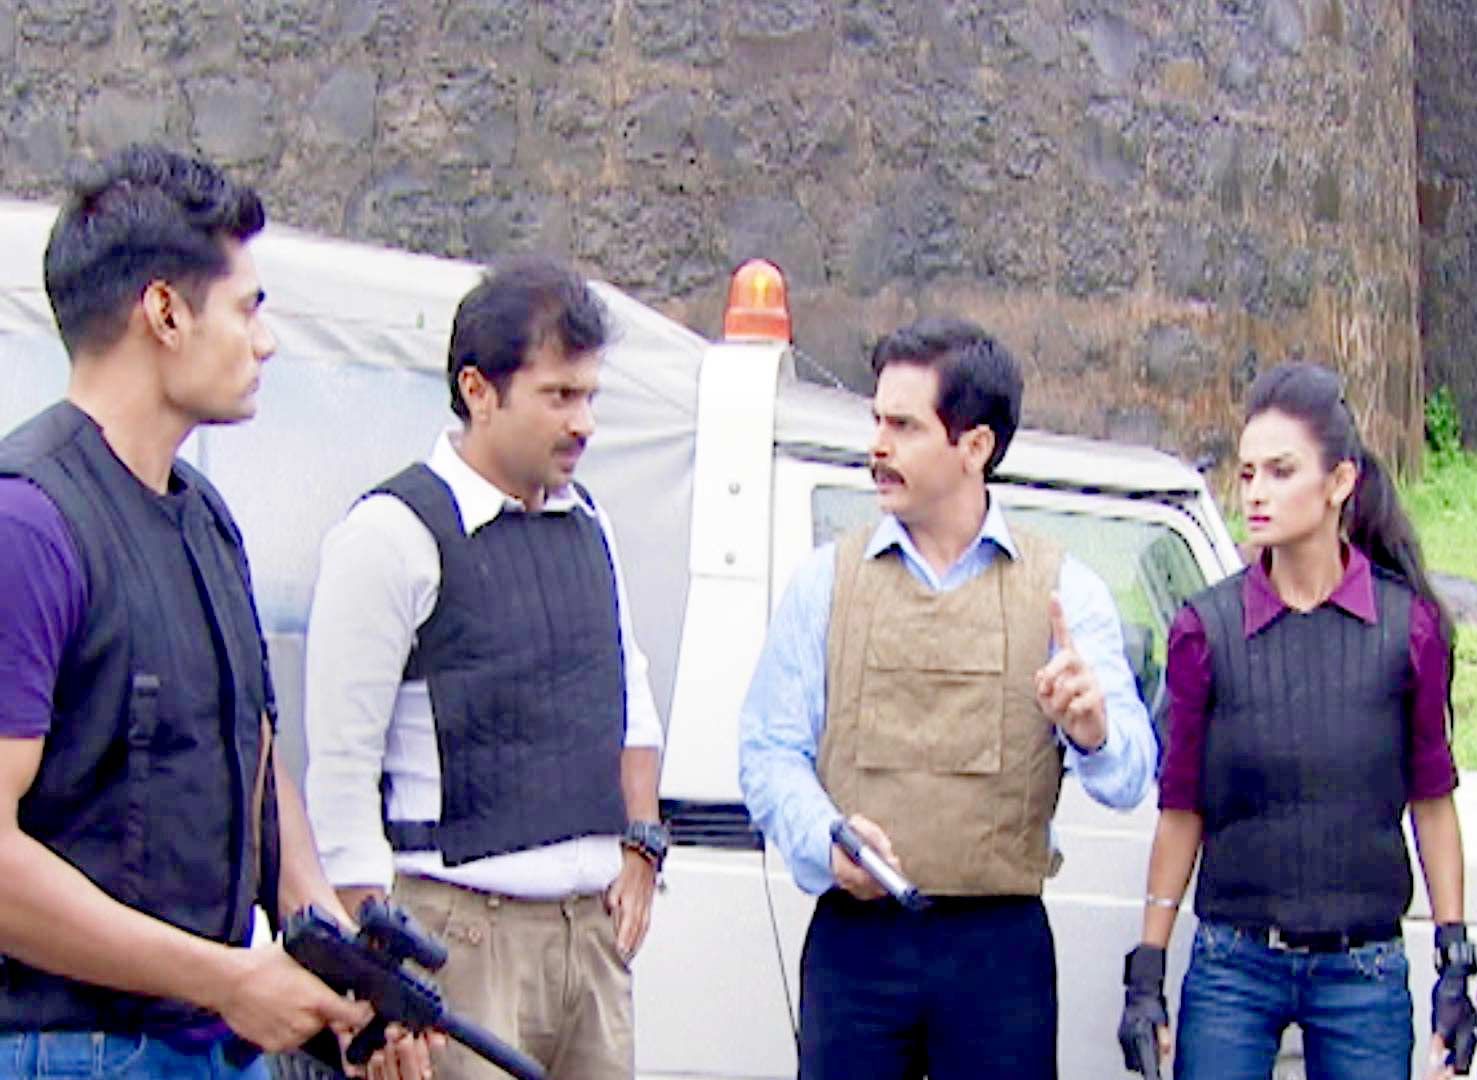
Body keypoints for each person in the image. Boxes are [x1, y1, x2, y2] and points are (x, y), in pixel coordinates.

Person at [0, 145, 427, 1079]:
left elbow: (256, 758)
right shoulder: (27, 524)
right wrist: (230, 979)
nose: (264, 342)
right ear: (164, 311)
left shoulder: (205, 519)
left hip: (212, 1048)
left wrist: (340, 965)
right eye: (247, 308)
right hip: (68, 1050)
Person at [738, 316, 1157, 1079]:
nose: (877, 446)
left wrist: (1093, 729)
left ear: (975, 446)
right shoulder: (827, 583)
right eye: (876, 421)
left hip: (998, 953)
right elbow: (768, 752)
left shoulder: (1062, 590)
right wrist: (825, 840)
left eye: (903, 426)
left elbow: (1130, 778)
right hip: (856, 947)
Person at [301, 257, 666, 1079]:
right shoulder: (392, 534)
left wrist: (643, 846)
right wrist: (377, 977)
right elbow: (342, 770)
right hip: (460, 940)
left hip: (590, 941)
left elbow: (628, 695)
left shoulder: (589, 523)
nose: (583, 423)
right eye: (558, 396)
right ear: (478, 389)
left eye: (590, 396)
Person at [1115, 362, 1476, 1080]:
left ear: (1339, 481)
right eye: (1248, 473)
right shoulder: (1206, 630)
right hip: (1235, 960)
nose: (1255, 492)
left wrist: (1453, 958)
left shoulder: (1408, 628)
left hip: (1363, 967)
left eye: (1281, 472)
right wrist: (1147, 968)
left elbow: (1432, 800)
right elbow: (1182, 805)